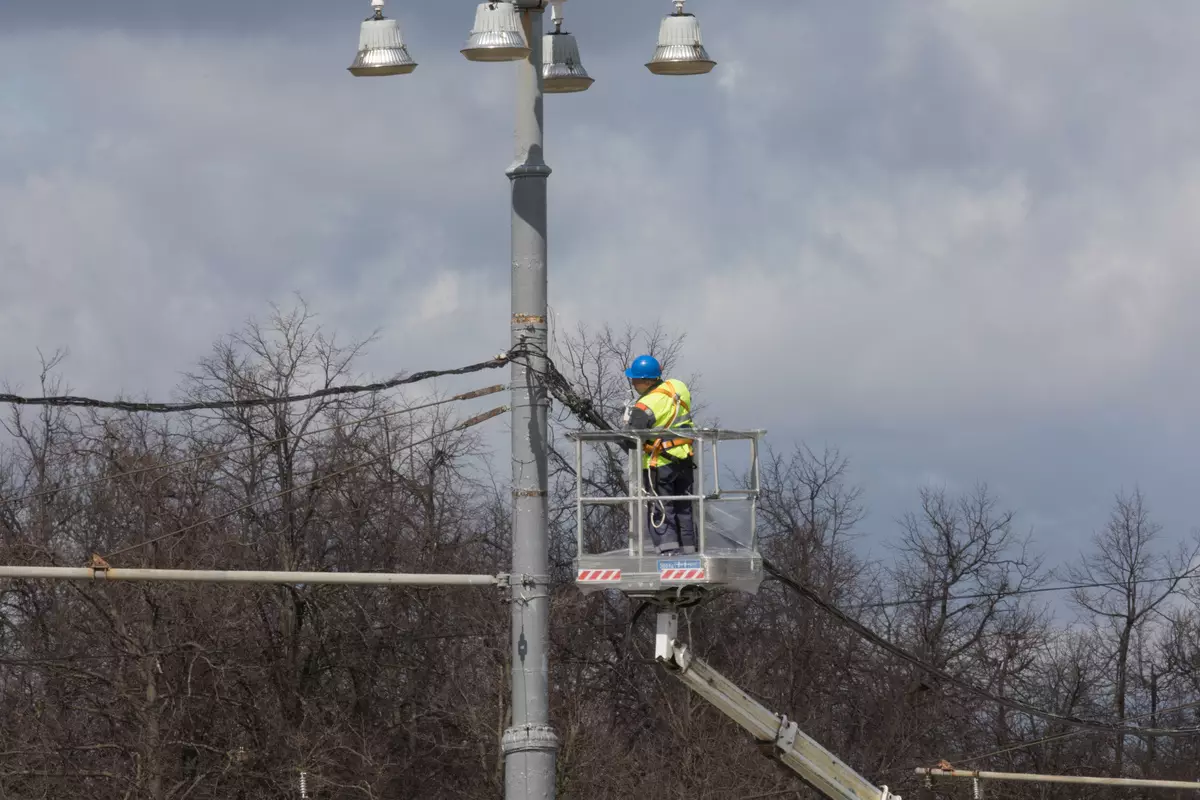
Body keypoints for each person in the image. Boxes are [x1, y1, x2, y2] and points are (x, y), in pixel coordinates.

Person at [622, 354, 697, 556]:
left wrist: (624, 429)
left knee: (662, 508)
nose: (633, 383)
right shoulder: (678, 387)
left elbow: (631, 442)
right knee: (684, 507)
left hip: (661, 464)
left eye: (635, 380)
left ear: (646, 381)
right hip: (685, 459)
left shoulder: (644, 406)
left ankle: (668, 552)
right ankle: (689, 550)